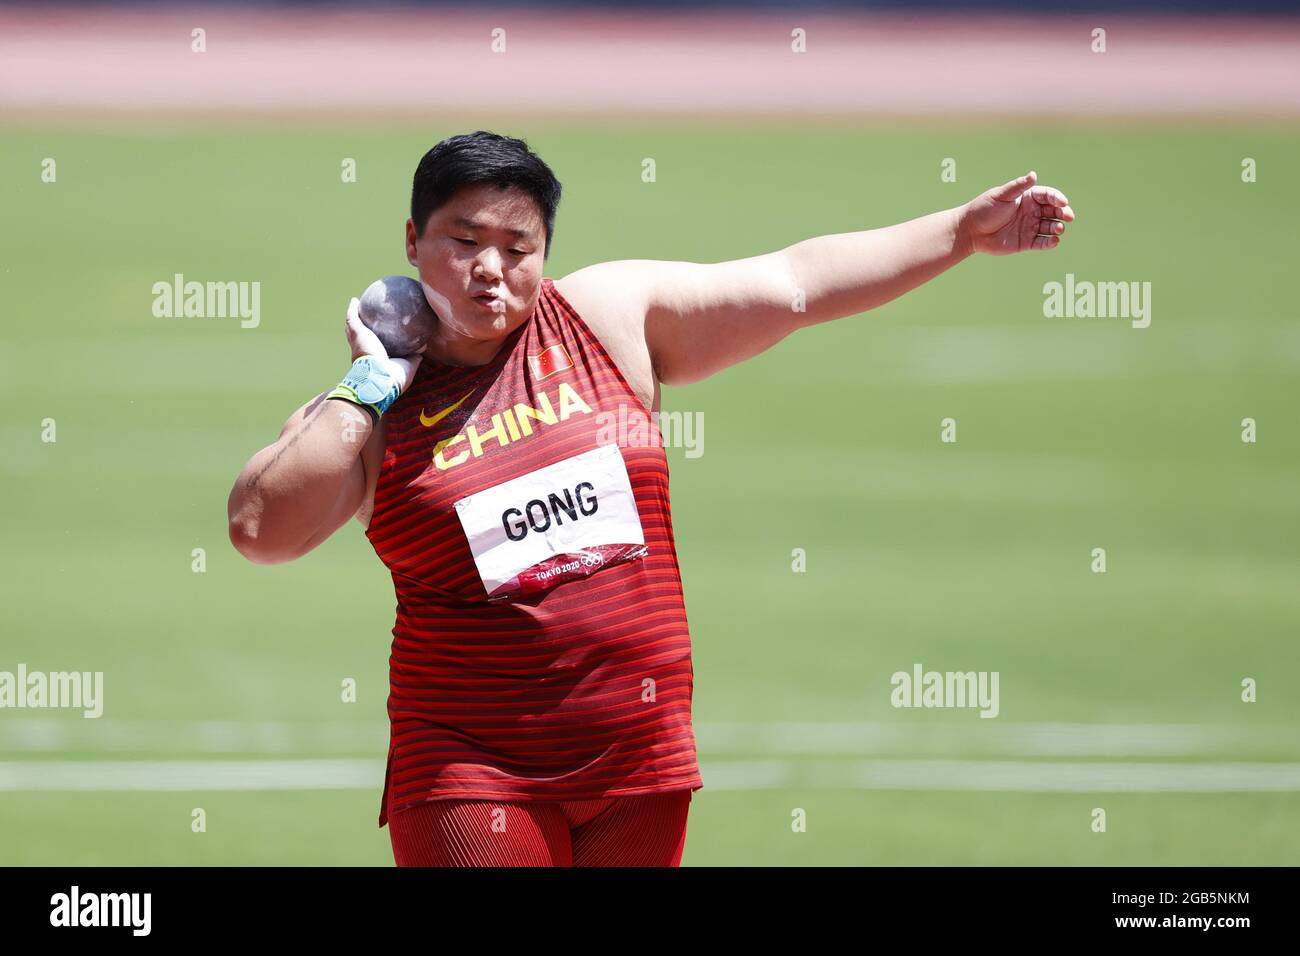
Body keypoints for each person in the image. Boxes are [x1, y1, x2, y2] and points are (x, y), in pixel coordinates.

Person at [227, 130, 1074, 866]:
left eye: (519, 248)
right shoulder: (370, 410)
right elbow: (261, 529)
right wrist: (368, 383)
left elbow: (795, 283)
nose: (491, 271)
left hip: (642, 755)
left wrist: (960, 233)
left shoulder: (606, 317)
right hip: (471, 764)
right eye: (463, 240)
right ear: (412, 242)